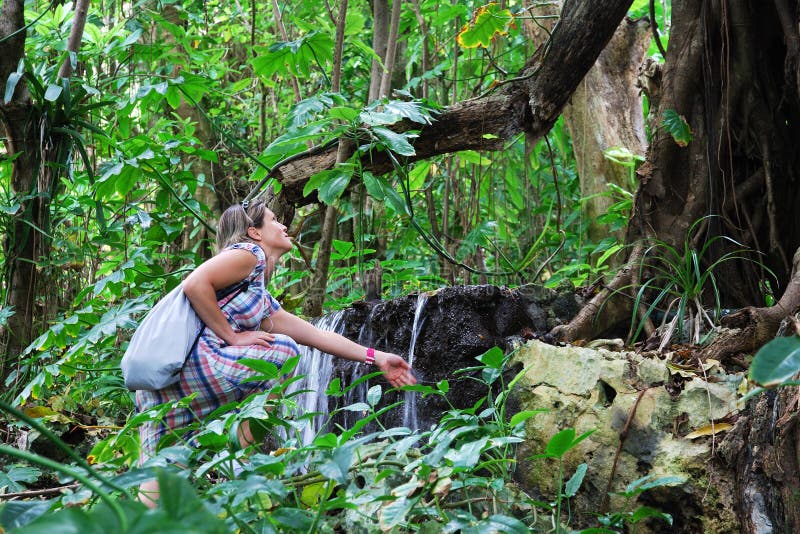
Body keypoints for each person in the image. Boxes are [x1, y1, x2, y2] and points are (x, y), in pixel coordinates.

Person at [135, 199, 416, 507]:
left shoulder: (254, 295)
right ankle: (235, 459)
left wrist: (376, 357)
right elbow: (194, 283)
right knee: (283, 352)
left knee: (160, 470)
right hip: (196, 365)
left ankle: (139, 522)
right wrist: (232, 336)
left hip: (162, 382)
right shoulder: (249, 254)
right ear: (254, 233)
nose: (284, 226)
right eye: (273, 221)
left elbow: (315, 335)